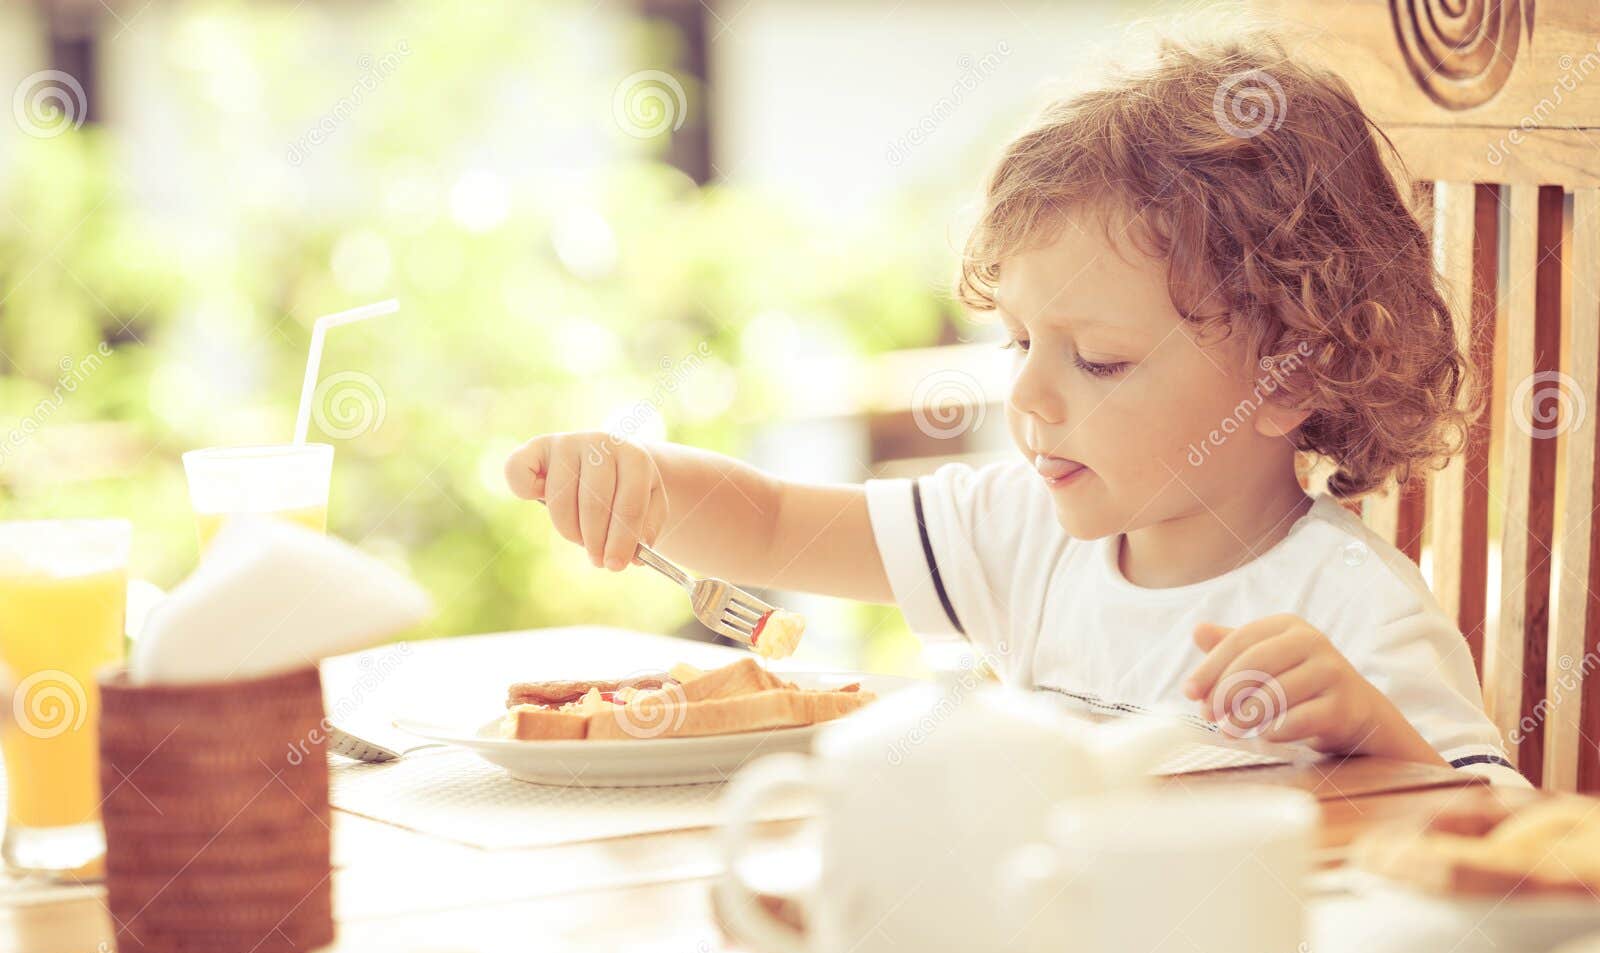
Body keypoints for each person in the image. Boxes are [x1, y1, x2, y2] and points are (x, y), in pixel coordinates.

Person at [506, 35, 1521, 783]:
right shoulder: (1022, 532)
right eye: (1021, 342)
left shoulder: (1357, 608)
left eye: (1100, 360)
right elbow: (773, 524)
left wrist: (1375, 733)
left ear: (1290, 375)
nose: (1028, 394)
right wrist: (643, 482)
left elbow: (1498, 847)